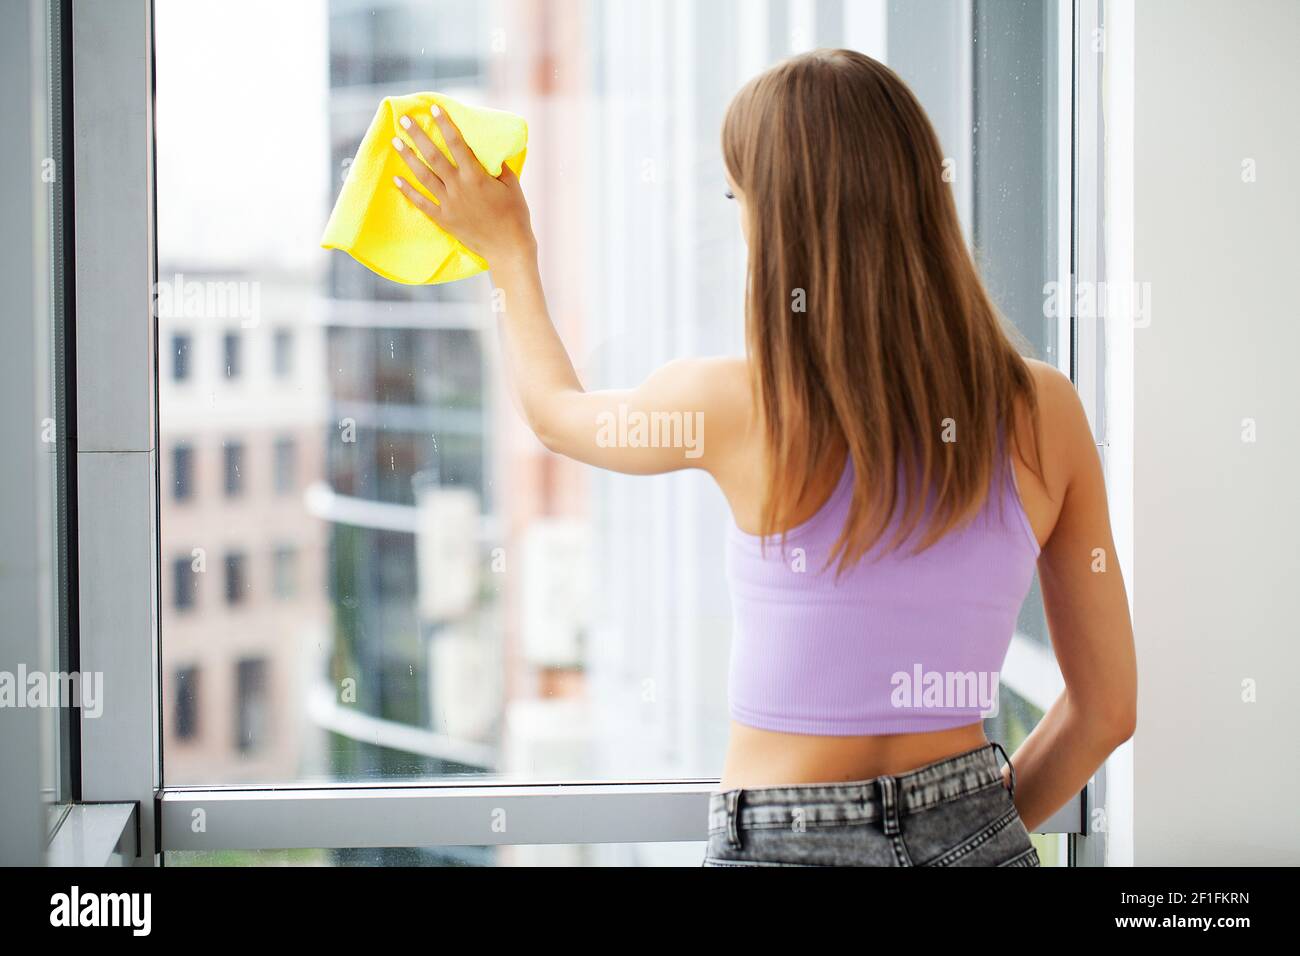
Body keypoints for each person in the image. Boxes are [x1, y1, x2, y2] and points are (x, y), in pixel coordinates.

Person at [391, 48, 1136, 867]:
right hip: (973, 827)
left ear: (779, 218)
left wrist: (510, 256)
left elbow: (558, 416)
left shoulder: (738, 404)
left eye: (736, 195)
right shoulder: (1045, 410)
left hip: (788, 841)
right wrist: (975, 833)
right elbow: (1106, 709)